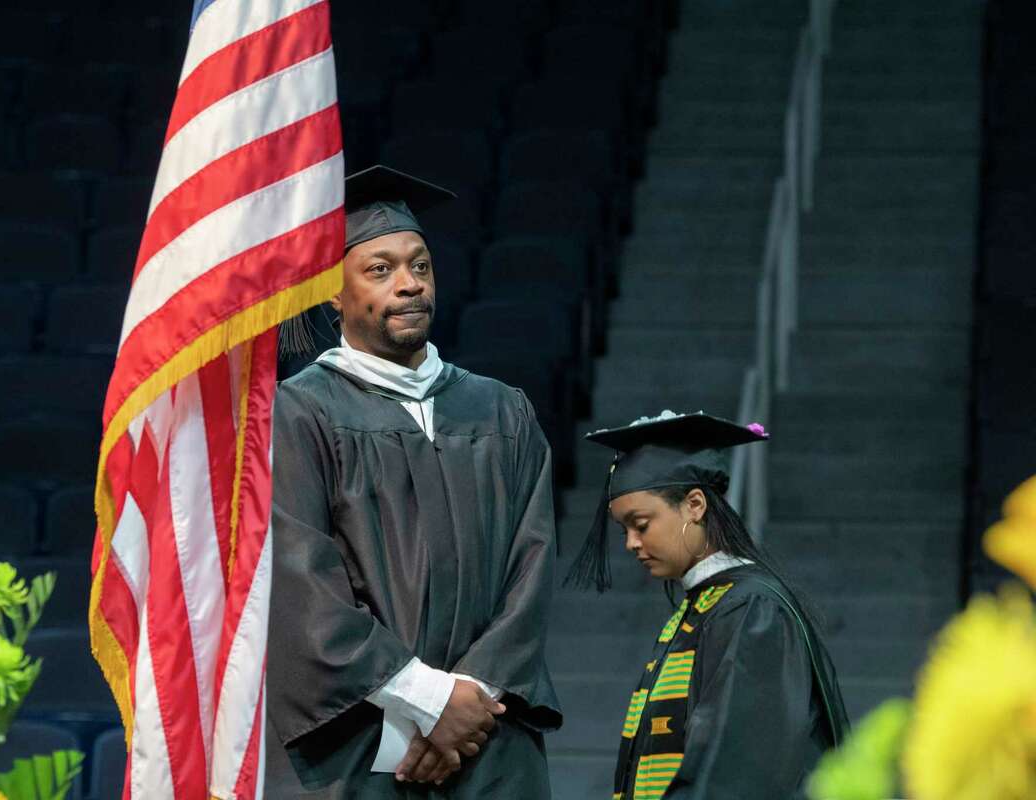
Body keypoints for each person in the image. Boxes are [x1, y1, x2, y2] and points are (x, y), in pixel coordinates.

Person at [266, 165, 561, 798]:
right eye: (380, 270)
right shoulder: (301, 413)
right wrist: (427, 702)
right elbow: (303, 584)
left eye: (420, 266)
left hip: (493, 735)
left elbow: (532, 567)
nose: (409, 285)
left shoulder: (500, 411)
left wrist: (468, 702)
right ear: (333, 294)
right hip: (368, 739)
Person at [566, 410, 849, 799]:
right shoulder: (705, 606)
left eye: (642, 524)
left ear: (695, 504)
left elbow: (734, 771)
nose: (631, 543)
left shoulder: (751, 610)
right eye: (624, 530)